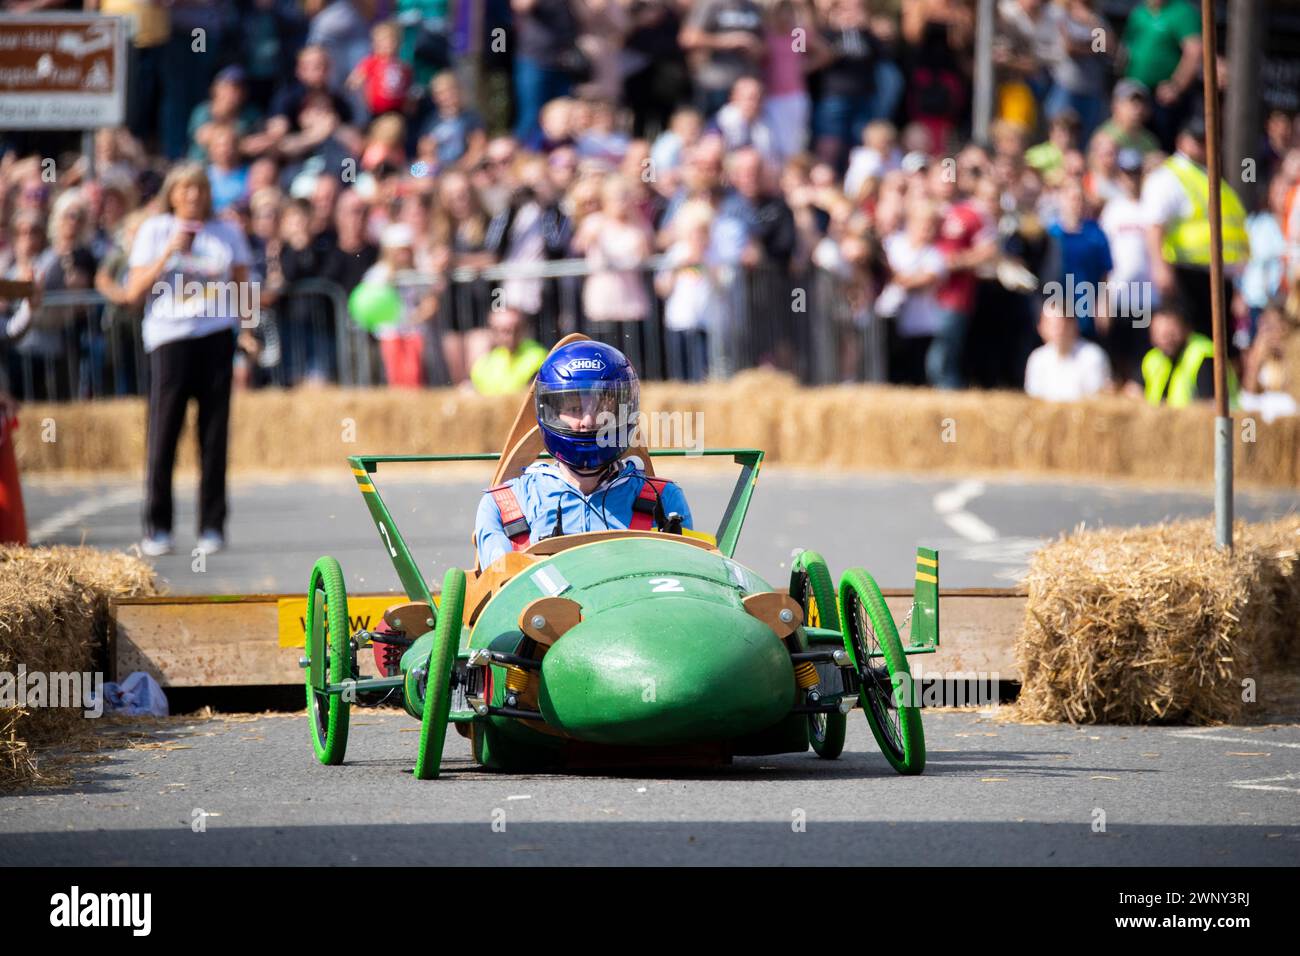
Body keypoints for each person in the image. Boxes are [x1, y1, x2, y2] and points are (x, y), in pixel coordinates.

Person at [126, 163, 252, 557]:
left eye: (199, 190)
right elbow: (134, 292)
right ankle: (158, 526)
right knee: (164, 433)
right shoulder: (155, 230)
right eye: (184, 190)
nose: (192, 197)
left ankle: (212, 526)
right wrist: (168, 253)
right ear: (172, 194)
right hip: (170, 339)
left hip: (214, 335)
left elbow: (243, 280)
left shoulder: (226, 232)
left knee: (214, 436)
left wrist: (247, 329)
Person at [474, 340, 693, 566]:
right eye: (574, 409)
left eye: (601, 409)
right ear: (550, 413)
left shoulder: (665, 499)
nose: (588, 422)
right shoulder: (504, 506)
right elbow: (500, 588)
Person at [1142, 116, 1250, 346]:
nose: (1204, 145)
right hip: (1187, 275)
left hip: (1217, 277)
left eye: (1208, 139)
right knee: (1194, 342)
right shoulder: (1169, 176)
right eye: (1198, 140)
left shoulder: (1210, 176)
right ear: (1182, 141)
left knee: (1218, 344)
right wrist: (1160, 267)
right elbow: (1154, 225)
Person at [1139, 302, 1237, 408]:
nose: (1166, 340)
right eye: (1159, 334)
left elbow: (1210, 406)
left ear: (1187, 329)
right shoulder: (1152, 359)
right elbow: (1134, 392)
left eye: (1171, 333)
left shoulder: (1203, 354)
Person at [1024, 299, 1112, 401]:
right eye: (1052, 324)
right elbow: (1033, 400)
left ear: (1074, 325)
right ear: (1041, 328)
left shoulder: (1093, 356)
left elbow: (1097, 400)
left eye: (1061, 323)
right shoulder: (1037, 359)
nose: (1058, 330)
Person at [470, 307, 548, 396]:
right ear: (492, 331)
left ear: (524, 329)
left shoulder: (538, 356)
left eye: (516, 329)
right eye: (504, 331)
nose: (511, 336)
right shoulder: (486, 362)